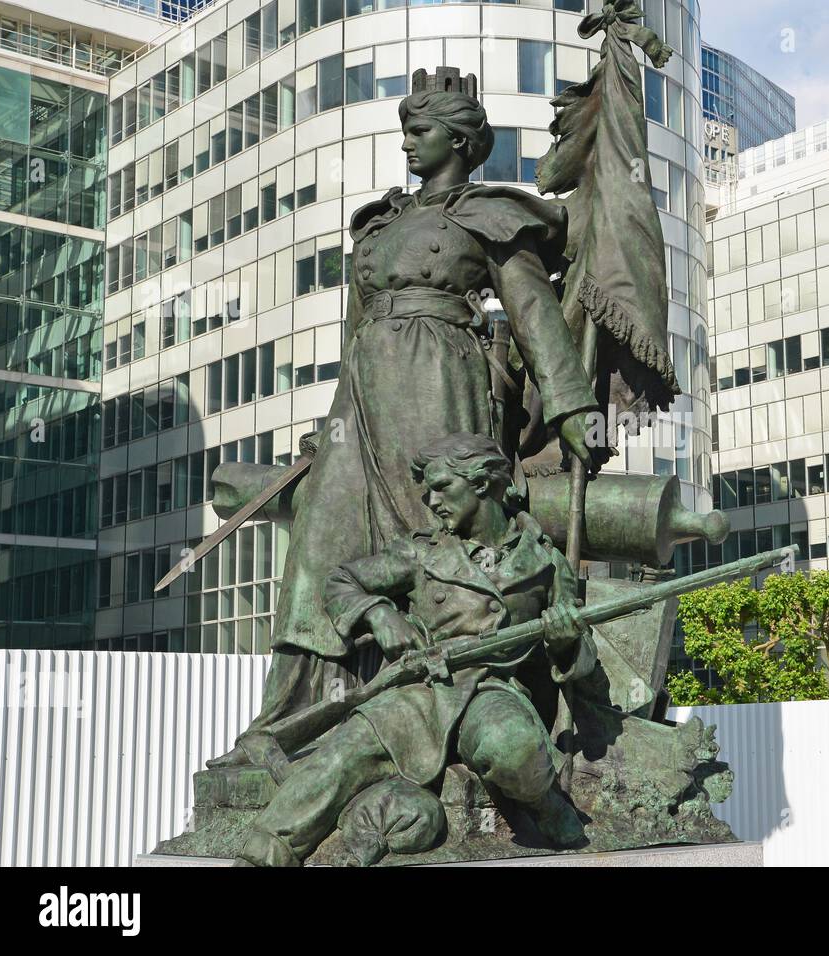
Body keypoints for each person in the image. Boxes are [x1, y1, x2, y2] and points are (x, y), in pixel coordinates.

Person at [210, 70, 598, 767]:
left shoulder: (488, 214)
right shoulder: (378, 225)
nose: (407, 146)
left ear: (459, 139)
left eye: (419, 133)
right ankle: (290, 717)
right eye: (405, 132)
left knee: (432, 535)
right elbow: (352, 338)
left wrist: (571, 405)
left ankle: (434, 708)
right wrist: (326, 430)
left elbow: (533, 312)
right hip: (363, 396)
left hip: (441, 381)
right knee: (317, 545)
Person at [235, 433, 594, 866]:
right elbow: (341, 581)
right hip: (419, 691)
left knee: (513, 746)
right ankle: (262, 857)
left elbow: (582, 654)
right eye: (428, 490)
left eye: (442, 487)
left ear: (481, 484)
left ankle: (545, 804)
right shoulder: (423, 552)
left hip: (492, 691)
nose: (432, 501)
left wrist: (566, 640)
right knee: (335, 761)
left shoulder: (545, 562)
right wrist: (379, 613)